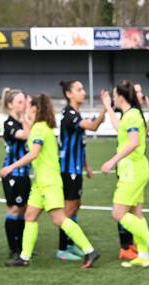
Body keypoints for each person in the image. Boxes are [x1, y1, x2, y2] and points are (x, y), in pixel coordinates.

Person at [0, 93, 98, 269]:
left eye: (29, 106)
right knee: (30, 216)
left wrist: (11, 167)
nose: (26, 108)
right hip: (41, 182)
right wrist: (25, 117)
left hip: (49, 182)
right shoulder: (42, 127)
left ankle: (89, 250)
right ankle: (24, 257)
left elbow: (34, 153)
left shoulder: (39, 128)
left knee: (59, 219)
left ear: (36, 109)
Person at [99, 81, 149, 268]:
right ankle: (144, 254)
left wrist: (112, 161)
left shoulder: (133, 116)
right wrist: (107, 107)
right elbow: (117, 126)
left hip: (132, 171)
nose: (113, 98)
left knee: (118, 213)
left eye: (113, 95)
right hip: (133, 169)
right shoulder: (130, 114)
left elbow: (134, 142)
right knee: (136, 214)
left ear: (121, 96)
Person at [57, 79, 106, 262]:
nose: (83, 92)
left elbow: (80, 142)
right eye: (79, 89)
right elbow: (93, 127)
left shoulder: (75, 114)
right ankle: (62, 248)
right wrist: (105, 108)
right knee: (68, 210)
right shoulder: (70, 115)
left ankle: (70, 244)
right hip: (68, 169)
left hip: (75, 168)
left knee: (75, 206)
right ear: (69, 94)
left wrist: (86, 166)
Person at [0, 88, 31, 260]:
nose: (23, 104)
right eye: (19, 102)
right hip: (12, 173)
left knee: (23, 209)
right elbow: (26, 134)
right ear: (10, 104)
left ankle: (22, 246)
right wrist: (27, 116)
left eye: (24, 101)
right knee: (14, 209)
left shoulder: (21, 121)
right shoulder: (10, 123)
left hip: (24, 172)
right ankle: (14, 249)